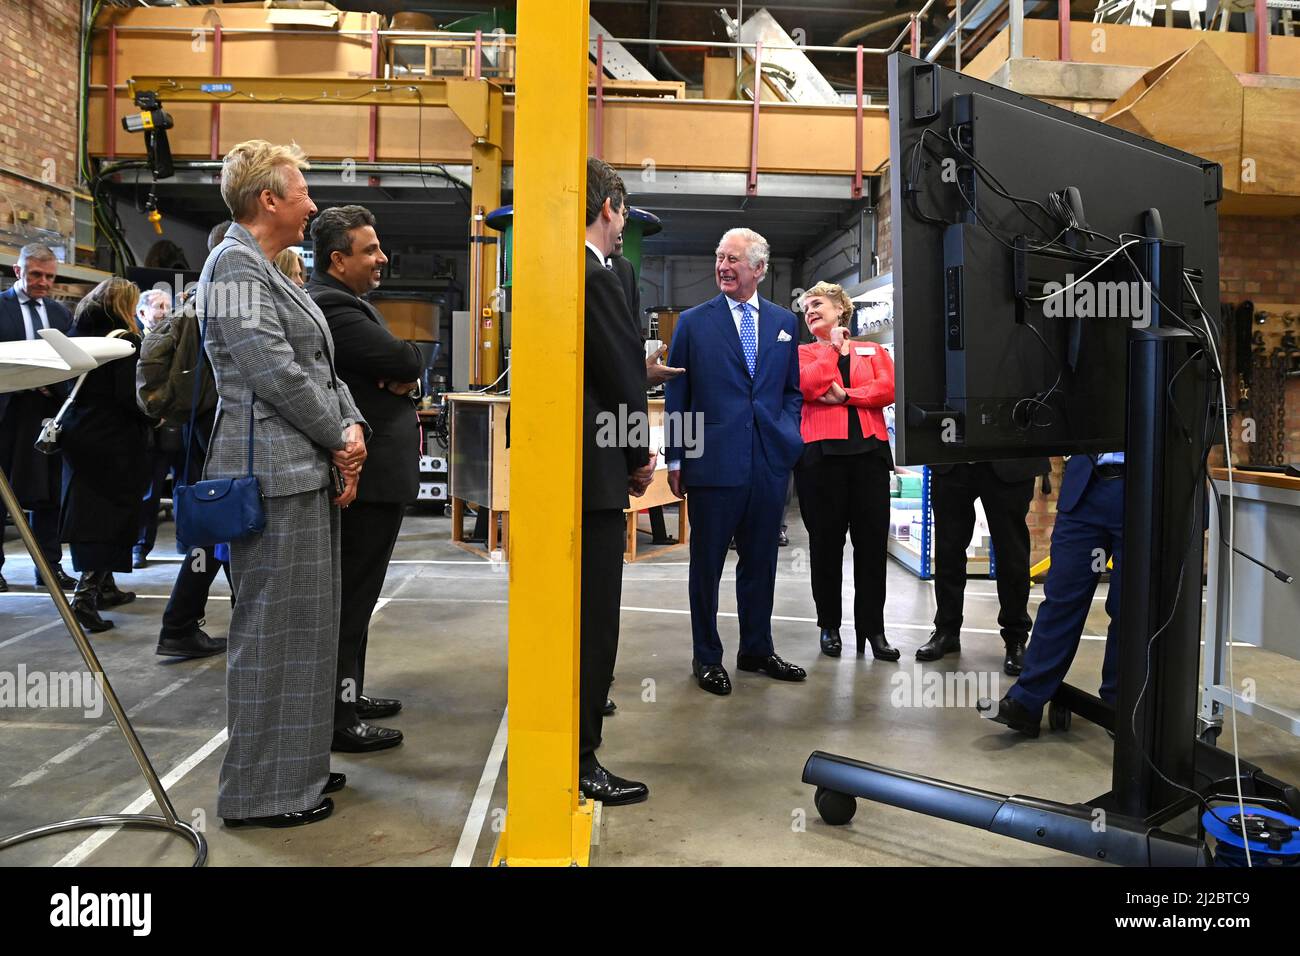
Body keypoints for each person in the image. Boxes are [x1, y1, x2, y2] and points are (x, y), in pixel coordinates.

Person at [202, 140, 368, 828]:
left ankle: (294, 767)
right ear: (268, 199)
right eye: (302, 191)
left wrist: (349, 426)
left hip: (302, 470)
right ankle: (262, 792)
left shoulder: (268, 268)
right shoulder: (235, 265)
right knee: (273, 634)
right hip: (274, 477)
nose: (313, 203)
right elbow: (274, 372)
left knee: (305, 633)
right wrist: (340, 437)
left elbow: (320, 368)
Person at [665, 227, 805, 696]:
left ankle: (756, 649)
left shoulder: (786, 321)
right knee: (706, 565)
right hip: (711, 464)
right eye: (720, 257)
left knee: (761, 561)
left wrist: (788, 431)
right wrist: (677, 457)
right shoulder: (693, 322)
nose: (723, 266)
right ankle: (706, 656)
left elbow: (791, 390)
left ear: (759, 269)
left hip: (768, 464)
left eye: (734, 260)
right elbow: (677, 394)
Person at [306, 205, 421, 754]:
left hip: (377, 478)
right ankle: (336, 718)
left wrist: (401, 371)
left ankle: (349, 695)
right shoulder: (332, 305)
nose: (382, 258)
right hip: (365, 481)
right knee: (351, 599)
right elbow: (407, 358)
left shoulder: (352, 304)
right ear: (338, 259)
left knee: (362, 595)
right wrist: (404, 366)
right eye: (369, 250)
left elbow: (401, 369)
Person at [578, 158, 654, 805]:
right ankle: (582, 758)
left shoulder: (583, 272)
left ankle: (569, 745)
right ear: (611, 208)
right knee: (597, 621)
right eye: (624, 211)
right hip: (597, 474)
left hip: (569, 469)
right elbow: (624, 374)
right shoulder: (597, 278)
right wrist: (640, 451)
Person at [977, 453, 1124, 736]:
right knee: (1060, 598)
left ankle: (1121, 703)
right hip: (1087, 486)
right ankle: (1026, 701)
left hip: (1145, 487)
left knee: (1129, 605)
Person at [794, 281, 899, 661]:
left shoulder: (872, 349)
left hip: (869, 457)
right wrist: (834, 350)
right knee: (825, 546)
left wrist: (848, 396)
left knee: (872, 548)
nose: (810, 311)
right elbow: (808, 385)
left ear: (841, 308)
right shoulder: (804, 352)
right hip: (820, 461)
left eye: (817, 303)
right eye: (806, 308)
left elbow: (887, 388)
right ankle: (829, 626)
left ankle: (874, 630)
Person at [146, 223, 229, 660]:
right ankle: (178, 625)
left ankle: (181, 624)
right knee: (223, 528)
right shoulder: (219, 300)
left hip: (200, 425)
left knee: (223, 530)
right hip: (214, 427)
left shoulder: (197, 299)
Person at [59, 278, 151, 633]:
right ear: (123, 306)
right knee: (109, 517)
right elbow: (130, 395)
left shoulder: (76, 334)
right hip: (114, 440)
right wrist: (154, 415)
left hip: (80, 435)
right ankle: (85, 596)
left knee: (89, 511)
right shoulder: (123, 341)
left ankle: (104, 587)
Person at [921, 458, 1050, 675]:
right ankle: (946, 630)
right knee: (948, 549)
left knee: (1012, 554)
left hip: (1008, 459)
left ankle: (1016, 638)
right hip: (953, 457)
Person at [0, 244, 77, 593]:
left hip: (48, 414)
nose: (43, 282)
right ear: (18, 272)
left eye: (49, 276)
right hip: (7, 413)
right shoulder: (0, 308)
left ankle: (48, 568)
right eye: (35, 275)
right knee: (3, 495)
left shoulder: (60, 315)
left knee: (48, 494)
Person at [134, 288, 178, 568]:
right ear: (142, 313)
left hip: (178, 428)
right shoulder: (133, 344)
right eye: (159, 306)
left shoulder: (178, 341)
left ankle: (191, 546)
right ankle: (140, 546)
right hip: (150, 432)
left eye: (168, 306)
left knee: (186, 489)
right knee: (148, 493)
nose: (165, 312)